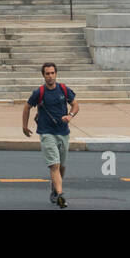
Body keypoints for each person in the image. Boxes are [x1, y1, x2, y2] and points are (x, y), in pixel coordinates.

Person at [22, 62, 79, 208]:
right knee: (54, 165)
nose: (50, 76)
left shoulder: (63, 89)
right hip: (47, 133)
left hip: (63, 132)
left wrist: (70, 116)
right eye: (47, 73)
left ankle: (55, 188)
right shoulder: (39, 93)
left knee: (61, 166)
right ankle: (60, 195)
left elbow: (75, 105)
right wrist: (24, 126)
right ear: (43, 75)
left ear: (56, 74)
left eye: (52, 73)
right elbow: (27, 107)